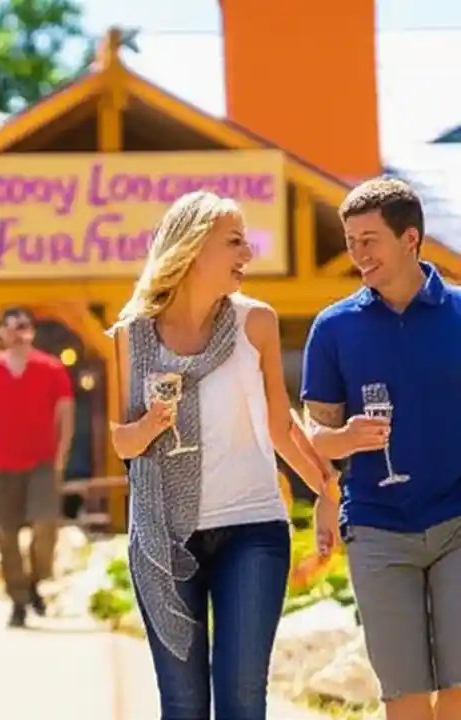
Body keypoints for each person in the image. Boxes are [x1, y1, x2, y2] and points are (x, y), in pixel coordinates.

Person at [108, 190, 332, 719]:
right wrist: (151, 424)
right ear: (192, 247)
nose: (247, 254)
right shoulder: (131, 335)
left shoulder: (257, 323)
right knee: (183, 705)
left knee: (241, 699)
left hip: (252, 527)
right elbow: (122, 443)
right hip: (163, 538)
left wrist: (328, 490)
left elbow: (282, 427)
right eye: (234, 241)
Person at [301, 177, 461, 720]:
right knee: (406, 700)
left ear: (410, 238)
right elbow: (313, 434)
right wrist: (342, 441)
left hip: (458, 519)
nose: (357, 253)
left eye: (369, 239)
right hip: (376, 529)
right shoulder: (333, 328)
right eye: (350, 240)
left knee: (460, 692)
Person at [0, 306, 75, 627]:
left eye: (23, 327)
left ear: (32, 331)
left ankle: (36, 582)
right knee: (5, 534)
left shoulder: (51, 369)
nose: (17, 333)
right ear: (1, 333)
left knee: (45, 526)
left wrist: (61, 457)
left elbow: (65, 414)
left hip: (41, 461)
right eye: (10, 328)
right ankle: (18, 600)